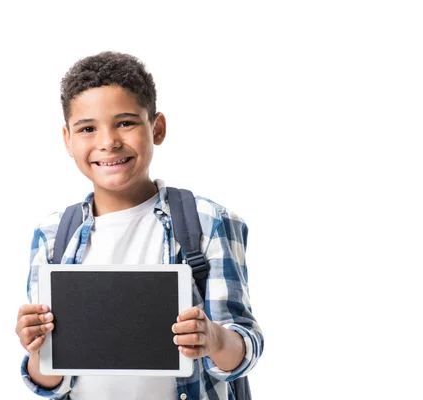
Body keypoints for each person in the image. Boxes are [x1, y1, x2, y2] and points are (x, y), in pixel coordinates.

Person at [15, 51, 264, 399]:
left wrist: (216, 338)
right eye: (88, 128)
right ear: (68, 140)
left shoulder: (209, 222)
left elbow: (244, 349)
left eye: (125, 122)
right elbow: (52, 384)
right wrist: (37, 350)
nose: (108, 142)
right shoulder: (53, 236)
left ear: (157, 128)